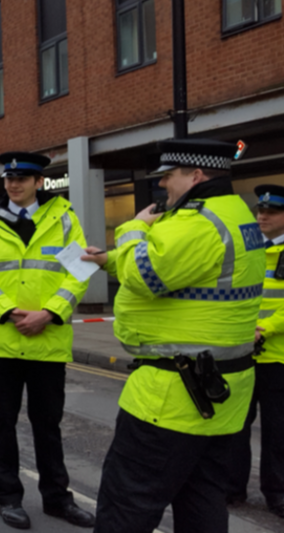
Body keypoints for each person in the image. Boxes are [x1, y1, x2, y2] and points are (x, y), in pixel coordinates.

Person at [82, 139, 263, 533]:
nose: (162, 184)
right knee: (202, 499)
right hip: (221, 388)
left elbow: (147, 275)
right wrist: (108, 260)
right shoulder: (234, 214)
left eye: (168, 176)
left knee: (127, 504)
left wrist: (133, 227)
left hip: (174, 393)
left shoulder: (199, 222)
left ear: (195, 175)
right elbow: (184, 269)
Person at [0, 151, 94, 530]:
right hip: (1, 339)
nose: (13, 184)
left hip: (47, 339)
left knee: (48, 424)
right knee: (2, 423)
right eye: (9, 178)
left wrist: (49, 313)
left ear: (39, 182)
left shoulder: (64, 219)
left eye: (22, 178)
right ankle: (9, 498)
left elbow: (79, 272)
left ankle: (57, 499)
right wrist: (7, 310)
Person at [226, 184, 284, 519]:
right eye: (260, 211)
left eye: (271, 212)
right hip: (242, 354)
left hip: (278, 357)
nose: (262, 216)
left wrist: (266, 328)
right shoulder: (248, 250)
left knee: (279, 431)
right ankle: (232, 487)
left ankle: (278, 493)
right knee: (235, 426)